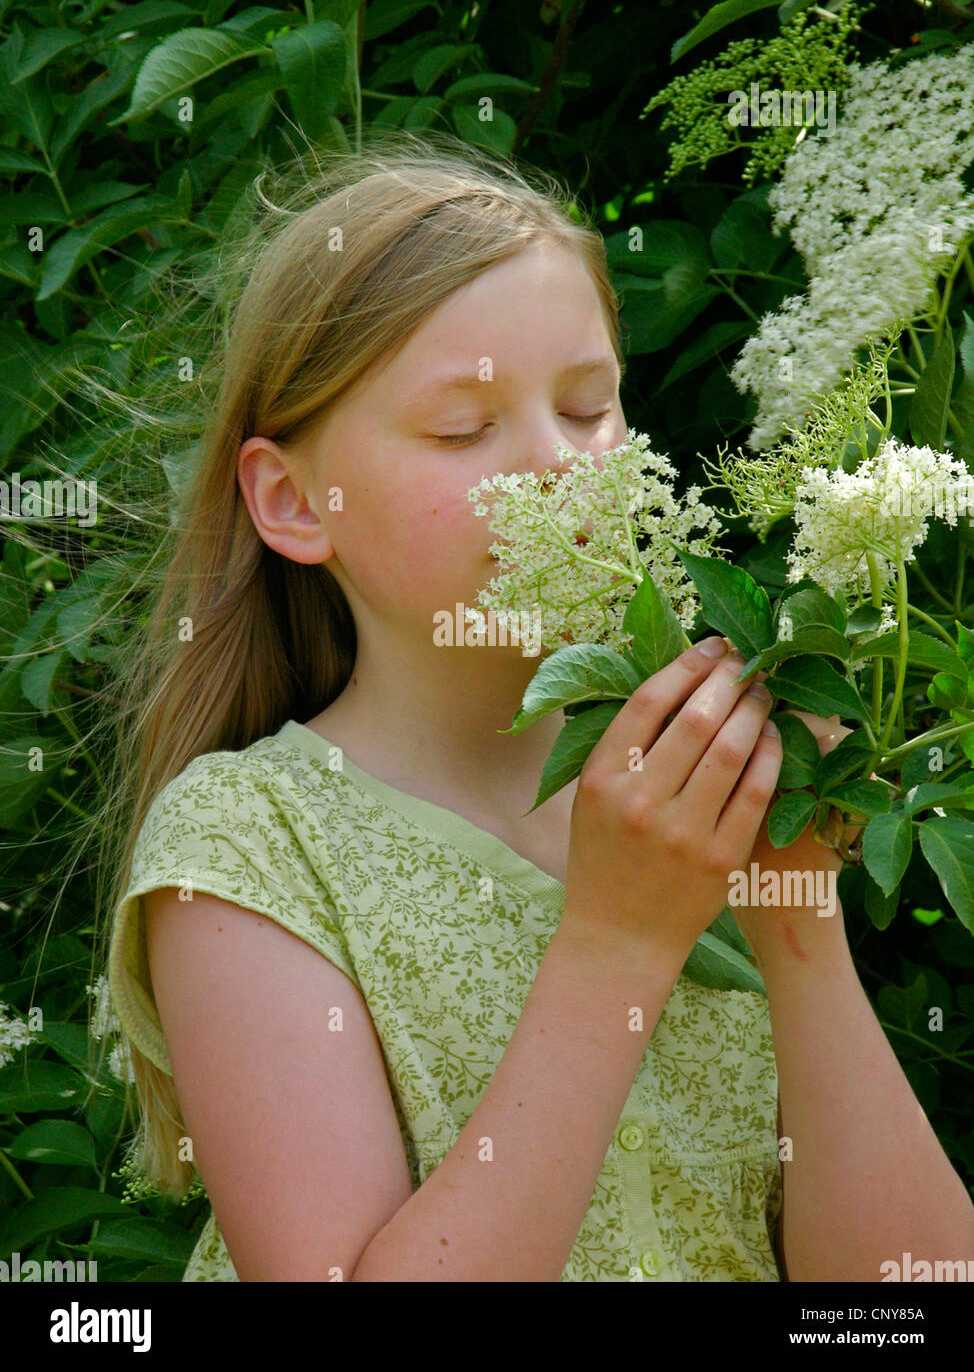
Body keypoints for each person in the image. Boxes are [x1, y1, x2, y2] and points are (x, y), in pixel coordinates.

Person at [104, 130, 974, 1282]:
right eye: (464, 429)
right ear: (295, 499)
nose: (558, 466)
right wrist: (619, 937)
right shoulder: (246, 847)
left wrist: (793, 917)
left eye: (587, 408)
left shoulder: (696, 802)